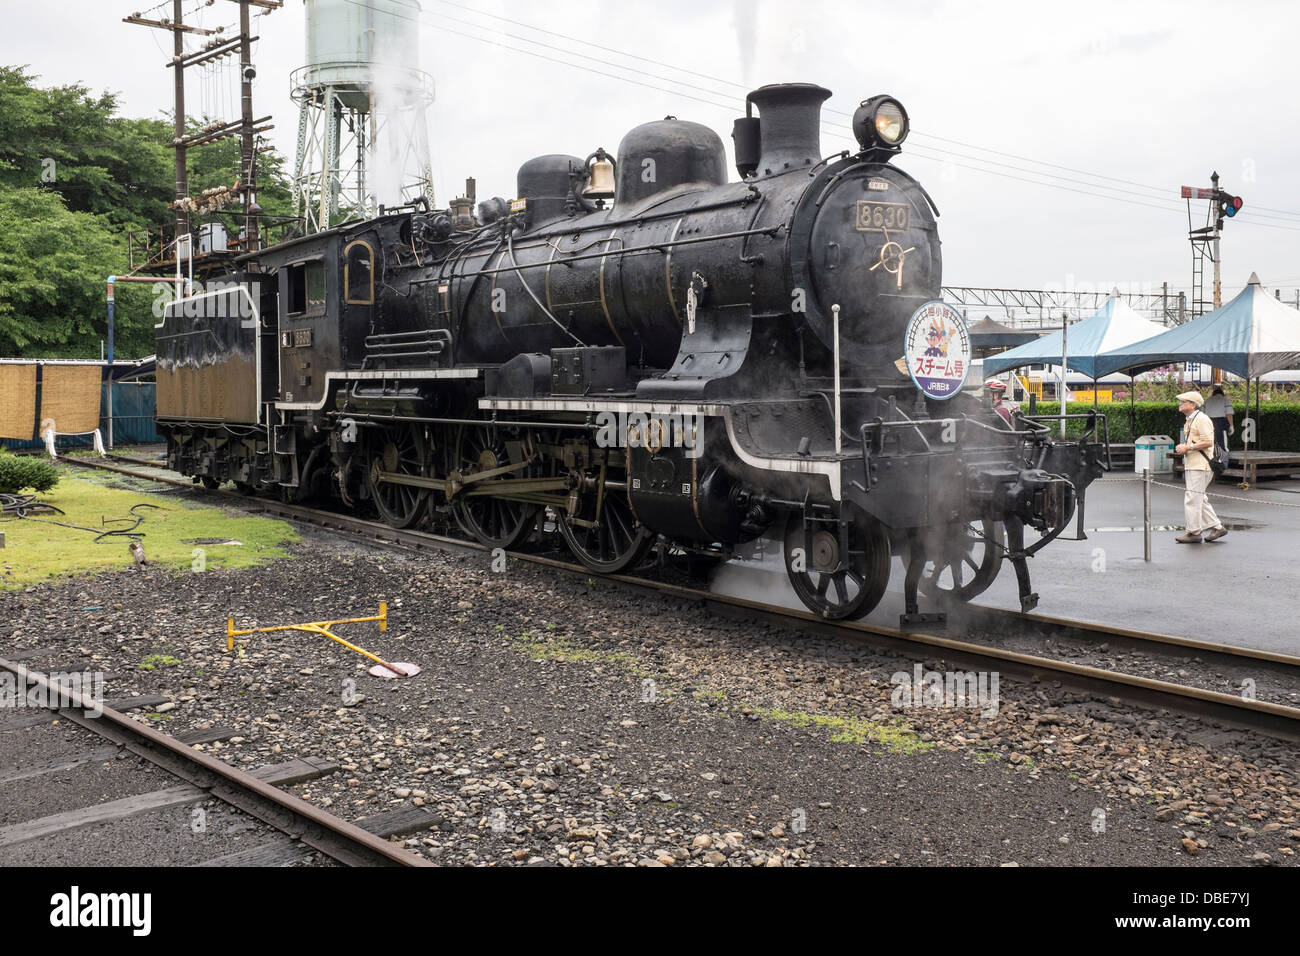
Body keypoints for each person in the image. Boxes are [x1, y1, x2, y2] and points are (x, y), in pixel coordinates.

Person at [1173, 391, 1227, 543]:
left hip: (1200, 465)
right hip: (1195, 464)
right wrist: (1186, 447)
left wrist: (1187, 447)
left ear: (1193, 404)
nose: (1180, 404)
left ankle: (1194, 532)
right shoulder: (1192, 419)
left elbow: (1208, 441)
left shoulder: (1201, 419)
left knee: (1192, 499)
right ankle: (1217, 527)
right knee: (1199, 498)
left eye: (1184, 401)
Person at [1203, 385, 1235, 452]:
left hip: (1207, 422)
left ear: (1213, 393)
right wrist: (1231, 426)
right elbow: (1229, 413)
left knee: (1209, 441)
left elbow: (1202, 413)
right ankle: (1223, 458)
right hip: (1220, 423)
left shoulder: (1207, 400)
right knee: (1222, 443)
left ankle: (1212, 457)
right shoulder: (1225, 399)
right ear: (1222, 393)